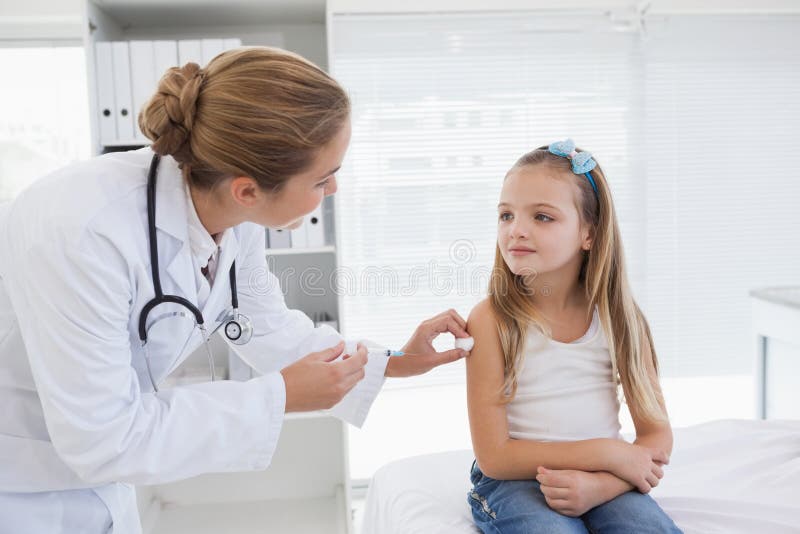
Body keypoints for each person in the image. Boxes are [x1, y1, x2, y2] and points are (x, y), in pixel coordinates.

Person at [0, 47, 469, 533]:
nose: (333, 191)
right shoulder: (83, 230)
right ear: (247, 189)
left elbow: (265, 329)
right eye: (323, 178)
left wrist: (394, 361)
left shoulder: (228, 209)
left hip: (99, 485)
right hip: (18, 485)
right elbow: (103, 437)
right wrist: (278, 396)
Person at [465, 140, 682, 533]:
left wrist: (603, 484)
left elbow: (655, 434)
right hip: (511, 482)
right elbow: (494, 456)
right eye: (506, 215)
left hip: (603, 475)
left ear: (589, 234)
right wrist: (609, 453)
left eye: (542, 217)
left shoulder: (620, 319)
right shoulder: (490, 321)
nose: (517, 230)